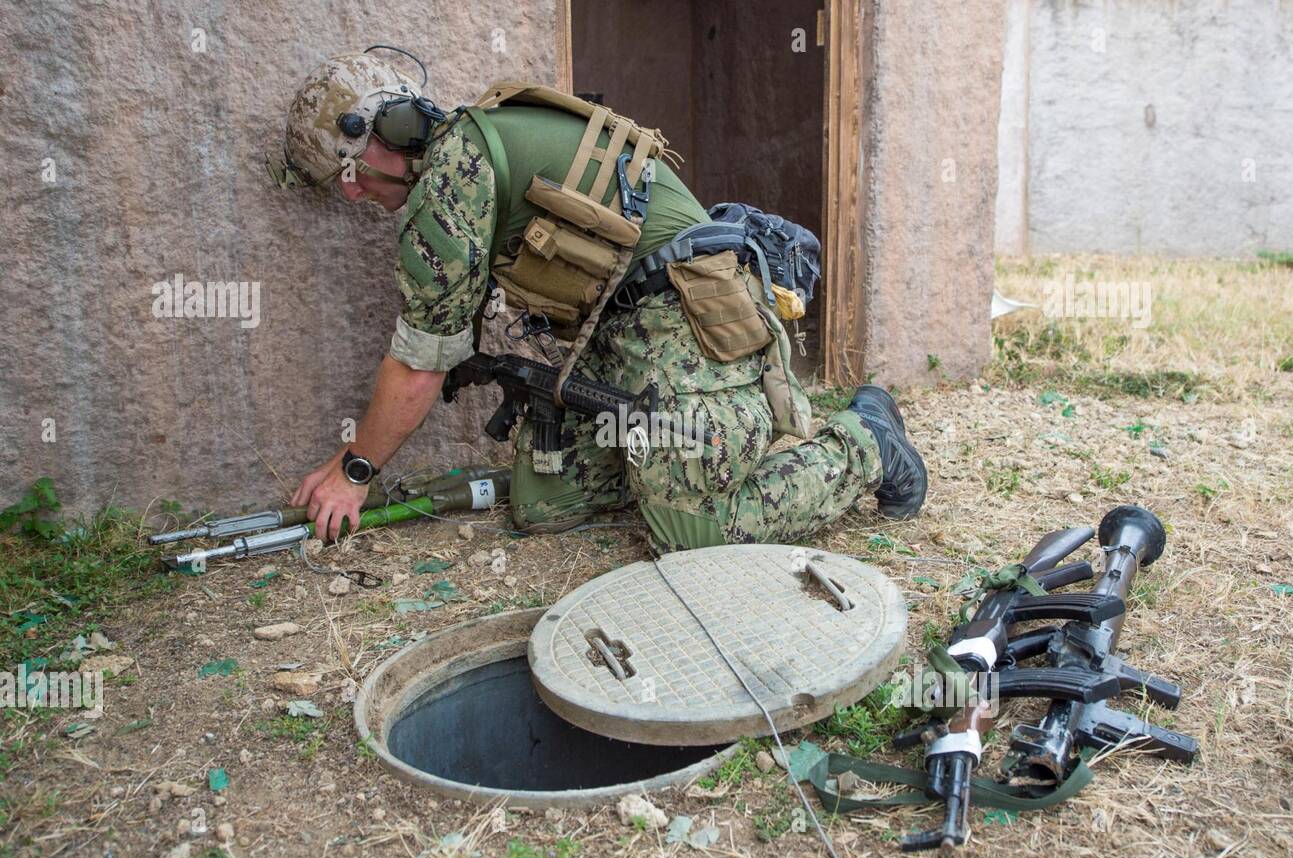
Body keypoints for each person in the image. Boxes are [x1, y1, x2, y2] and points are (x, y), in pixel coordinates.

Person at [269, 48, 927, 552]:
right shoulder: (467, 155)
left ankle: (863, 441)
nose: (353, 195)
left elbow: (420, 366)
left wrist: (354, 471)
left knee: (692, 537)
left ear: (391, 128)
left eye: (349, 173)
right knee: (543, 500)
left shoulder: (450, 175)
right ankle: (709, 457)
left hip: (688, 320)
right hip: (631, 341)